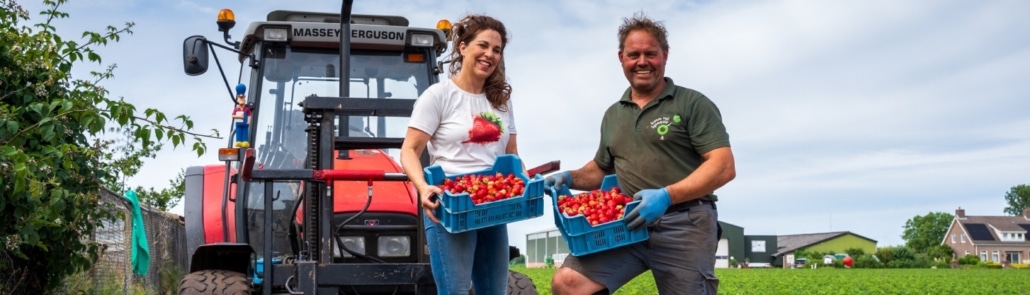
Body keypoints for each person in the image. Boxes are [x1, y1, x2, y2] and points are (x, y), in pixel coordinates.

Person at [546, 12, 736, 295]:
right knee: (569, 283)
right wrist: (568, 178)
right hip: (627, 224)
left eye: (651, 53)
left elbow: (723, 166)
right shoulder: (614, 114)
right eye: (634, 54)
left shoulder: (691, 103)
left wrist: (667, 196)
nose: (642, 62)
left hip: (685, 223)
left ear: (665, 55)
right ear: (621, 57)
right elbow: (600, 169)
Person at [399, 14, 518, 294]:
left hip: (494, 205)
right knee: (454, 291)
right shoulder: (438, 95)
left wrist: (521, 183)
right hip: (452, 205)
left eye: (497, 50)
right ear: (463, 47)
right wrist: (422, 187)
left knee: (495, 291)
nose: (490, 54)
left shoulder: (501, 101)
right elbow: (409, 150)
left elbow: (512, 154)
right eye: (483, 45)